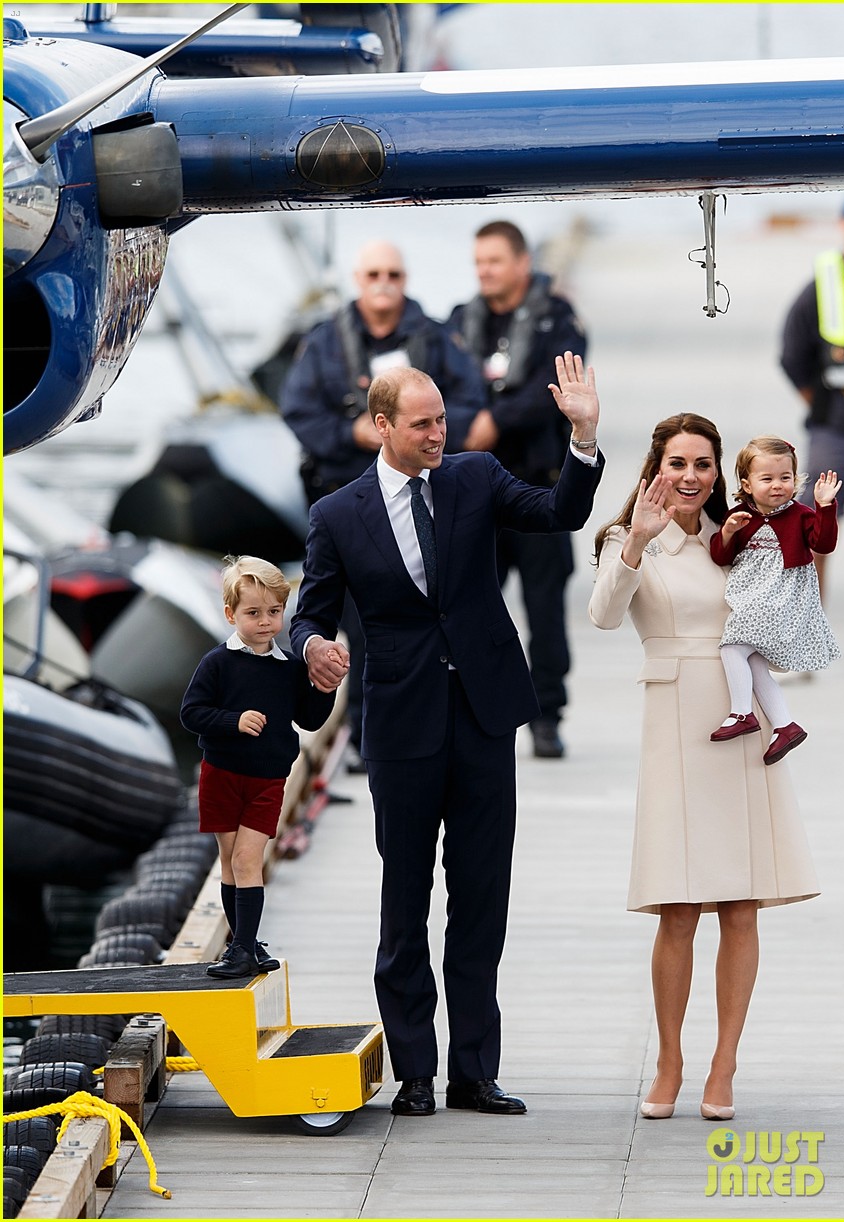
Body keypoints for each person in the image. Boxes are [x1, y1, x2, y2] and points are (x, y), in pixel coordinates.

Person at [289, 354, 603, 1117]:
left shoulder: (475, 476)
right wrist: (312, 648)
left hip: (485, 715)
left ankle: (473, 1071)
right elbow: (310, 611)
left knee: (480, 900)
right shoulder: (337, 514)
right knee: (404, 904)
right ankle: (416, 1073)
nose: (440, 433)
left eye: (442, 420)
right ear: (382, 426)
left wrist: (583, 438)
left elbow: (558, 512)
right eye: (424, 423)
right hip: (400, 725)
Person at [589, 415, 819, 1122]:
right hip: (672, 722)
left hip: (739, 722)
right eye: (676, 462)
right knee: (677, 907)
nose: (689, 476)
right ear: (655, 466)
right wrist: (633, 540)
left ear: (719, 473)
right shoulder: (624, 538)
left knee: (739, 905)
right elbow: (602, 617)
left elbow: (778, 647)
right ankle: (669, 1058)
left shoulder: (741, 538)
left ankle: (724, 1063)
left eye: (702, 464)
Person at [279, 240, 485, 772]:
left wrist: (422, 436)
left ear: (406, 277)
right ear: (357, 278)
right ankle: (365, 732)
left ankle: (447, 722)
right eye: (373, 272)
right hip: (351, 503)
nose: (383, 282)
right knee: (357, 624)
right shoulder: (325, 342)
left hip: (422, 498)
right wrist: (352, 434)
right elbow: (297, 409)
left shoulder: (435, 339)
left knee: (427, 618)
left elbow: (465, 399)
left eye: (394, 272)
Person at [447, 220, 588, 758]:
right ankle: (476, 709)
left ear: (522, 263)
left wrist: (496, 421)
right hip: (475, 494)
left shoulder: (557, 318)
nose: (485, 271)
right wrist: (474, 422)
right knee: (468, 609)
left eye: (495, 261)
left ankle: (547, 715)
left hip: (537, 490)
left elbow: (555, 390)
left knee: (544, 610)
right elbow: (441, 383)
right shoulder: (461, 321)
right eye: (479, 261)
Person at [180, 555, 335, 979]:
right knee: (230, 861)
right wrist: (233, 720)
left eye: (274, 612)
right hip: (222, 775)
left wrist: (326, 687)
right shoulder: (217, 663)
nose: (265, 622)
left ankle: (245, 947)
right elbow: (191, 712)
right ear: (231, 614)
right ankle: (242, 944)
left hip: (267, 779)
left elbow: (310, 719)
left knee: (249, 859)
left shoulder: (289, 668)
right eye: (253, 613)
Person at [709, 435, 841, 763]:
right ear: (747, 483)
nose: (778, 485)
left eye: (786, 478)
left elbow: (824, 544)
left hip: (784, 599)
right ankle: (784, 725)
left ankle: (742, 713)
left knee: (732, 645)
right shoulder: (740, 515)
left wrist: (825, 507)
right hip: (754, 597)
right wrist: (726, 532)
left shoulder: (800, 515)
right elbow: (720, 556)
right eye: (767, 479)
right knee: (753, 661)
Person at [780, 188, 844, 601]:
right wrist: (822, 405)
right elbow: (792, 356)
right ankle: (807, 634)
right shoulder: (821, 288)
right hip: (837, 426)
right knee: (815, 529)